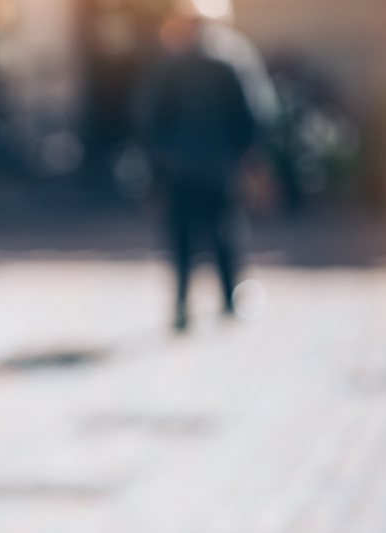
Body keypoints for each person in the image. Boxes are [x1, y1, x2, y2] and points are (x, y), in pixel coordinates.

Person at [138, 0, 277, 331]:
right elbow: (254, 111)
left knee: (181, 237)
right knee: (225, 230)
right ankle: (229, 300)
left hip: (180, 165)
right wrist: (248, 155)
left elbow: (151, 116)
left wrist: (160, 159)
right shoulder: (233, 56)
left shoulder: (171, 60)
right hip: (219, 163)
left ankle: (182, 306)